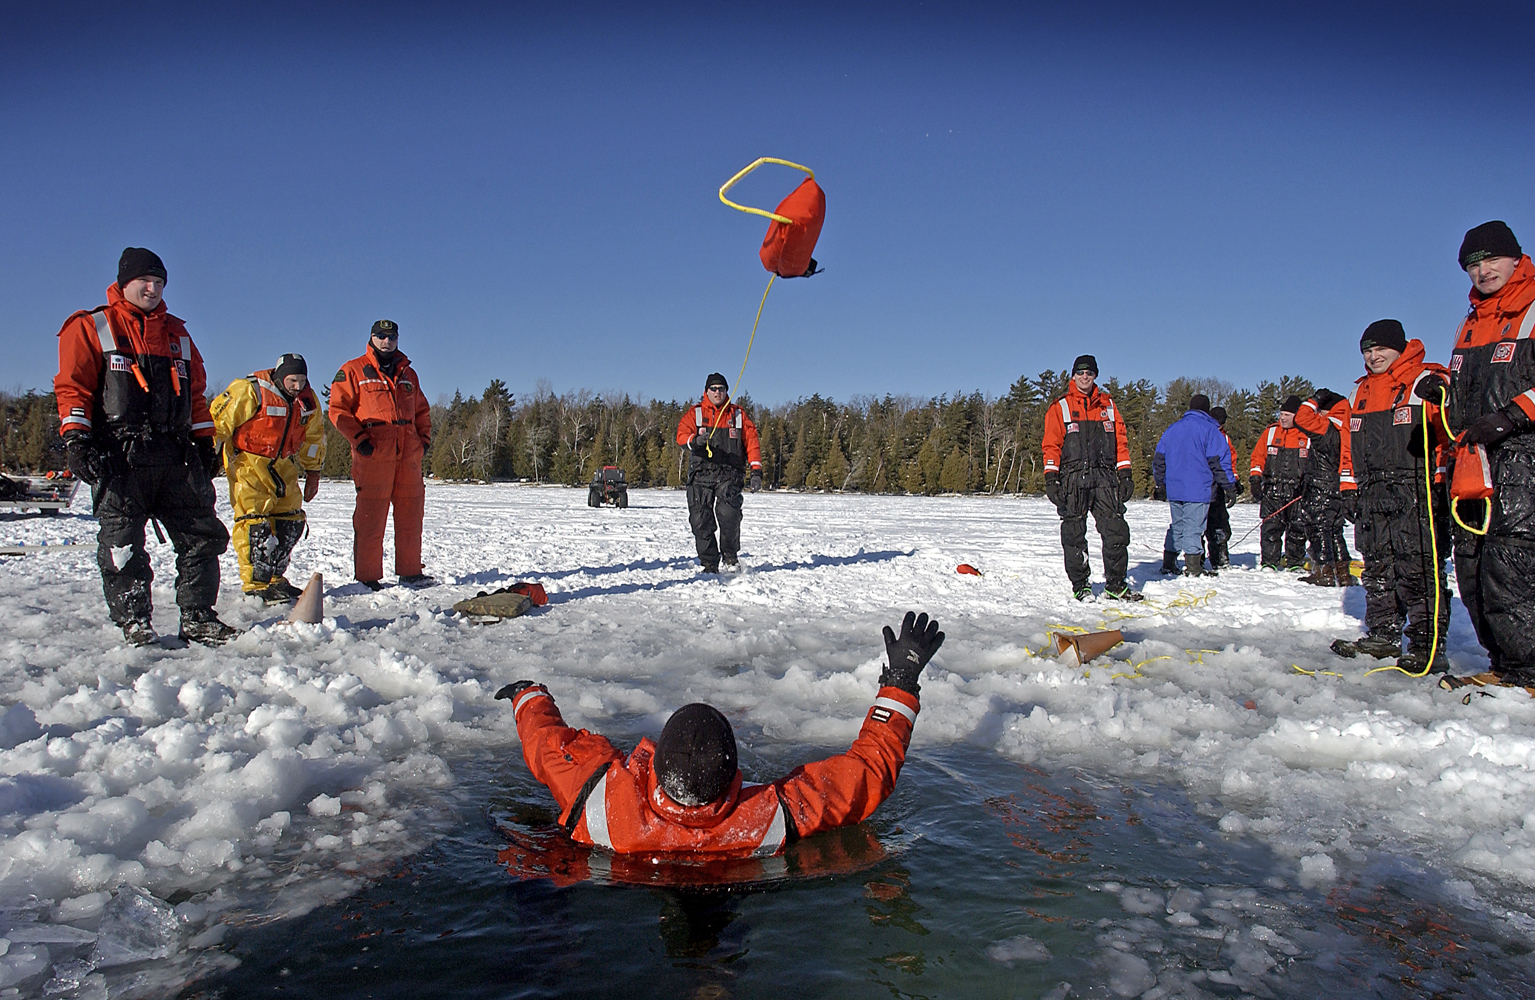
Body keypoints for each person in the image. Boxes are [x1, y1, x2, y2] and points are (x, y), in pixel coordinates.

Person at [496, 611, 944, 855]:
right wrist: (900, 684)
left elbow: (547, 743)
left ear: (652, 764)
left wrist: (528, 696)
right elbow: (868, 772)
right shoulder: (773, 815)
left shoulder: (598, 798)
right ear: (735, 777)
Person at [53, 248, 236, 646]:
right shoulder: (92, 327)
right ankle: (135, 622)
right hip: (120, 455)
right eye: (144, 282)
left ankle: (198, 616)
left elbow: (198, 395)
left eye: (159, 283)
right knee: (122, 543)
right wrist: (77, 438)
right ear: (124, 283)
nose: (152, 289)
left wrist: (205, 442)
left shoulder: (178, 334)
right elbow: (73, 389)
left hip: (175, 453)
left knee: (202, 535)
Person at [1418, 221, 1535, 684]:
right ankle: (1504, 665)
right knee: (1472, 567)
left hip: (1523, 460)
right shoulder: (1469, 324)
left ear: (1514, 258)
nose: (1482, 271)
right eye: (1472, 264)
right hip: (1472, 464)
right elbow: (1465, 392)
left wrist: (1512, 416)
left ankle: (1528, 670)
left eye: (1490, 260)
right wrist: (1439, 386)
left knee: (1510, 567)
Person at [1329, 320, 1450, 672]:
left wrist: (1441, 482)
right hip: (1371, 491)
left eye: (1380, 348)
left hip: (1416, 488)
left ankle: (1427, 644)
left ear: (1399, 347)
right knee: (1378, 568)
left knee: (1419, 567)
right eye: (1367, 350)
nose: (1373, 355)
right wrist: (1349, 486)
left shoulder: (1423, 382)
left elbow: (1448, 433)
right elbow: (1348, 449)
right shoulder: (1357, 394)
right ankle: (1381, 635)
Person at [210, 354, 327, 604]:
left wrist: (313, 471)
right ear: (279, 376)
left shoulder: (308, 401)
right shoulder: (250, 390)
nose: (297, 386)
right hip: (248, 463)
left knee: (291, 520)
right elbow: (219, 422)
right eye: (292, 380)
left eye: (302, 380)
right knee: (254, 521)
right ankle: (255, 583)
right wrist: (207, 454)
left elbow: (314, 436)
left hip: (282, 464)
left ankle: (274, 577)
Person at [327, 320, 433, 591]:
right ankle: (367, 577)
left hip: (408, 456)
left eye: (392, 337)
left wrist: (423, 442)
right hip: (374, 454)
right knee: (370, 517)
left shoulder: (409, 374)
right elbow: (338, 411)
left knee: (411, 516)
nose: (387, 341)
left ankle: (410, 572)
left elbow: (421, 410)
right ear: (372, 337)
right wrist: (359, 440)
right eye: (381, 336)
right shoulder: (353, 370)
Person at [1041, 355, 1140, 600]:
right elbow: (1051, 445)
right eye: (1081, 372)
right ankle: (1081, 585)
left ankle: (1116, 585)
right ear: (1073, 375)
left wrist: (1125, 473)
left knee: (1116, 531)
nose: (1085, 376)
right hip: (1073, 479)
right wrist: (1051, 478)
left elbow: (1121, 442)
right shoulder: (1060, 406)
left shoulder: (1108, 405)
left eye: (1090, 372)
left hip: (1105, 478)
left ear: (1095, 375)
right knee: (1074, 535)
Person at [674, 373, 763, 573]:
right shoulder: (695, 414)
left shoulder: (738, 415)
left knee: (729, 516)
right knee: (700, 520)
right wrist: (695, 440)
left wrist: (756, 470)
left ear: (726, 391)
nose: (717, 392)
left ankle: (730, 558)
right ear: (706, 392)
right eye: (713, 389)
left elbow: (752, 442)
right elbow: (681, 436)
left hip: (729, 475)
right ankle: (709, 563)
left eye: (721, 389)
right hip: (701, 475)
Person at [1152, 394, 1236, 577]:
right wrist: (1229, 486)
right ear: (1206, 410)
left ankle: (1169, 562)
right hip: (1198, 488)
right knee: (1194, 527)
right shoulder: (1210, 430)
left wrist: (1160, 483)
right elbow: (1219, 462)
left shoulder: (1173, 429)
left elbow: (1159, 459)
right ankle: (1193, 567)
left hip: (1175, 488)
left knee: (1177, 526)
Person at [1291, 386, 1358, 586]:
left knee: (1317, 527)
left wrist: (1314, 400)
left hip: (1320, 484)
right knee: (1335, 530)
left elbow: (1301, 418)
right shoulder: (1348, 427)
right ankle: (1343, 572)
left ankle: (1323, 571)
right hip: (1338, 485)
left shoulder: (1327, 426)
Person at [1249, 395, 1310, 570]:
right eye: (1281, 414)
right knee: (1270, 527)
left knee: (1298, 528)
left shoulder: (1307, 435)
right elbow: (1257, 457)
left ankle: (1295, 562)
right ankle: (1269, 563)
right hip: (1272, 488)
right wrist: (1255, 478)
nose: (1282, 418)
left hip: (1298, 491)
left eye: (1287, 415)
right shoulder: (1271, 432)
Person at [1202, 406, 1243, 570]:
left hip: (1218, 487)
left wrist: (1234, 481)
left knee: (1219, 524)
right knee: (1198, 525)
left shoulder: (1224, 438)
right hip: (1202, 485)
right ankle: (1196, 561)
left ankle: (1220, 559)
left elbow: (1230, 461)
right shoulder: (1202, 433)